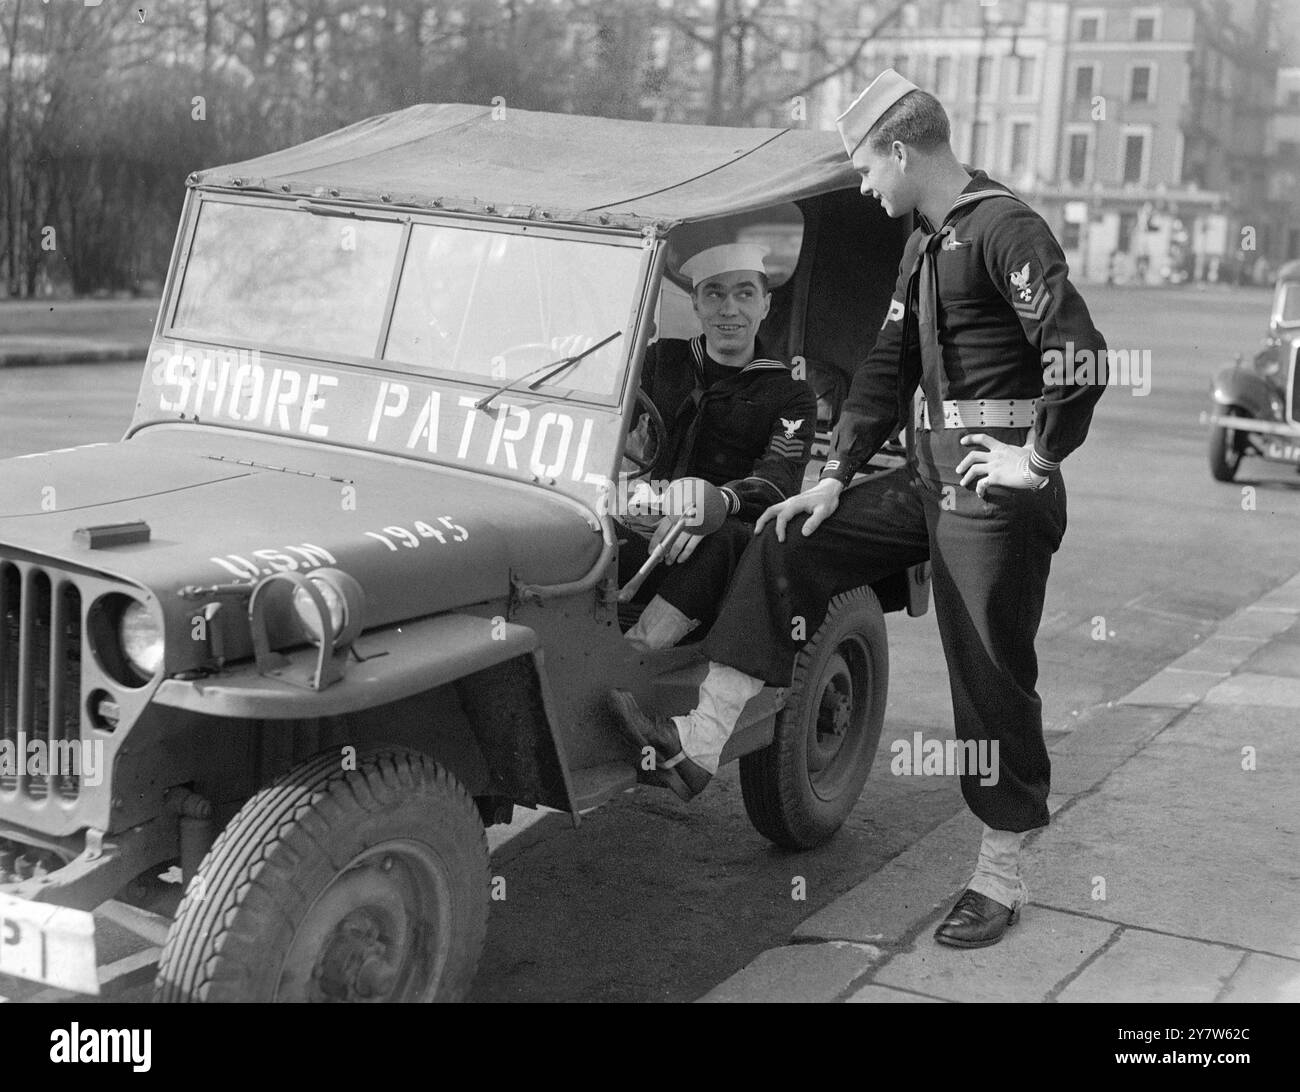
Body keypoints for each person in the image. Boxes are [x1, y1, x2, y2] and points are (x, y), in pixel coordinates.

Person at [610, 70, 1107, 949]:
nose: (866, 186)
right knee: (783, 537)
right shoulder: (923, 245)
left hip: (991, 493)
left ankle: (999, 873)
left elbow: (1079, 354)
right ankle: (703, 737)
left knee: (989, 678)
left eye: (868, 168)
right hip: (923, 477)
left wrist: (1037, 459)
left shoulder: (1005, 228)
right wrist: (834, 474)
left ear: (905, 151)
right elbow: (886, 368)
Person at [616, 243, 815, 653]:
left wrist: (709, 506)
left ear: (765, 305)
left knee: (728, 538)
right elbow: (612, 426)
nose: (729, 309)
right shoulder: (661, 360)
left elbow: (779, 480)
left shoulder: (788, 393)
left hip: (716, 544)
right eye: (714, 293)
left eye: (744, 294)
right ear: (695, 302)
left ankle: (638, 653)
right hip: (647, 516)